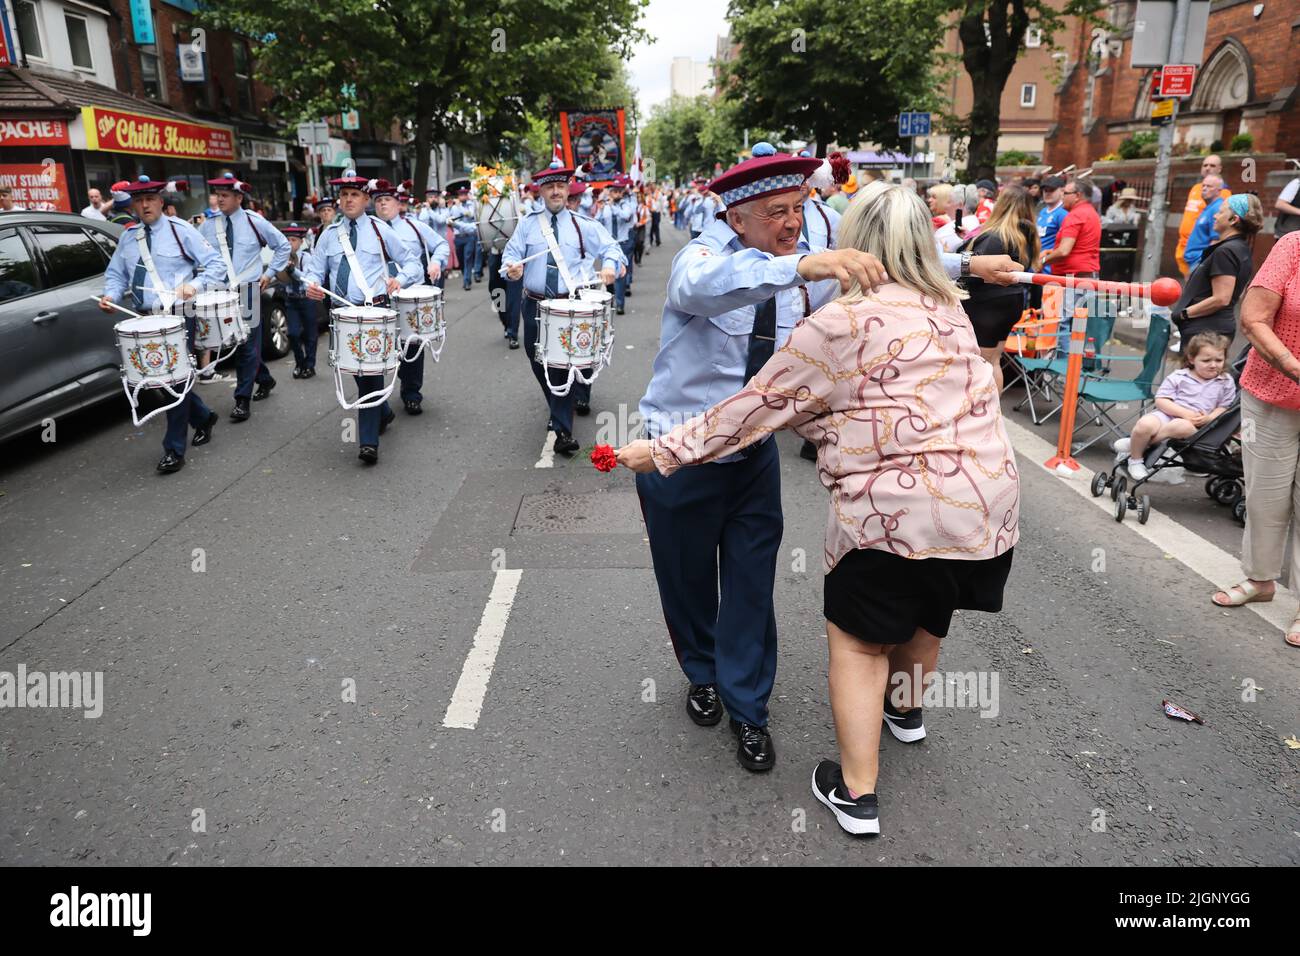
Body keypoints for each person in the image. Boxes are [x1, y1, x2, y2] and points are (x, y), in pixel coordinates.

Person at [616, 181, 1019, 830]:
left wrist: (967, 262)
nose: (794, 225)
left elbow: (761, 406)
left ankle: (759, 718)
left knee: (760, 591)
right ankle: (711, 675)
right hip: (693, 445)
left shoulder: (835, 290)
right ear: (735, 217)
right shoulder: (705, 258)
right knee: (691, 583)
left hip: (737, 451)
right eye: (776, 213)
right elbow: (703, 288)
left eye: (799, 211)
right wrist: (806, 264)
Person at [98, 175, 226, 474]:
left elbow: (216, 264)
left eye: (150, 199)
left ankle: (173, 450)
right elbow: (116, 275)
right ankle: (204, 416)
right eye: (139, 200)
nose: (144, 205)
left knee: (174, 379)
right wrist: (110, 295)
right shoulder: (128, 238)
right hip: (145, 317)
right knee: (162, 380)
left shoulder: (182, 231)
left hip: (179, 313)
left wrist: (194, 285)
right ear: (132, 205)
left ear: (160, 201)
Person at [1213, 231, 1300, 647]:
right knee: (1266, 494)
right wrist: (1293, 366)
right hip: (1271, 391)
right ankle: (1260, 579)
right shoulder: (1293, 247)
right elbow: (1253, 318)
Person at [501, 162, 624, 455]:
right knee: (538, 360)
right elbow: (510, 256)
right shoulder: (528, 224)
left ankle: (562, 427)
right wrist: (512, 270)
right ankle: (560, 406)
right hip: (534, 303)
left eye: (560, 186)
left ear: (568, 189)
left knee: (565, 363)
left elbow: (613, 251)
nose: (555, 191)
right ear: (541, 191)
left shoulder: (584, 225)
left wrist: (609, 266)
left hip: (571, 304)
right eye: (549, 186)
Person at [301, 169, 421, 464]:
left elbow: (412, 262)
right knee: (356, 372)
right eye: (344, 195)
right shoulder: (328, 235)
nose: (349, 200)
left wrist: (400, 279)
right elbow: (315, 270)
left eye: (355, 194)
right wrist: (312, 286)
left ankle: (368, 442)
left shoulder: (380, 230)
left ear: (367, 198)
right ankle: (383, 410)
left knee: (369, 377)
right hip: (340, 315)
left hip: (373, 312)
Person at [198, 173, 291, 423]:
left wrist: (270, 273)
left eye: (225, 195)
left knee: (246, 345)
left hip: (248, 290)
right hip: (220, 293)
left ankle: (242, 399)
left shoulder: (254, 222)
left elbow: (282, 245)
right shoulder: (208, 225)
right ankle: (264, 378)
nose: (220, 199)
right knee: (234, 343)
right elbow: (198, 256)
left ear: (239, 197)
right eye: (218, 195)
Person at [1116, 333, 1235, 481]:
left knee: (1180, 426)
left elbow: (1224, 406)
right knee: (1144, 424)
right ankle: (1135, 461)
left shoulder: (1225, 381)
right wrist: (1184, 413)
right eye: (1206, 360)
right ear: (1192, 359)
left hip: (1197, 425)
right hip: (1168, 414)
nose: (1213, 365)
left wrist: (1209, 418)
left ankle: (1139, 443)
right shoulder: (1179, 376)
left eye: (1219, 360)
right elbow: (1161, 400)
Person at [958, 184, 1039, 391]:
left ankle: (984, 415)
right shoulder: (1027, 236)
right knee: (993, 361)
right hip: (1011, 302)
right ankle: (994, 414)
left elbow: (973, 270)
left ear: (1001, 205)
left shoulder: (995, 236)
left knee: (982, 365)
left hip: (986, 303)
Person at [380, 179, 450, 411]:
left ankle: (411, 393)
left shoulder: (413, 226)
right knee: (385, 345)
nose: (382, 205)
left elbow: (441, 244)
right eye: (378, 201)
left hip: (411, 294)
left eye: (387, 200)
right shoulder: (370, 229)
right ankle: (382, 396)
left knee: (412, 344)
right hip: (382, 296)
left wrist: (437, 263)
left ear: (398, 203)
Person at [1168, 193, 1263, 345]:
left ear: (1233, 219)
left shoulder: (1226, 251)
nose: (1215, 216)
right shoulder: (1237, 247)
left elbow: (1221, 299)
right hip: (1209, 329)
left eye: (1220, 212)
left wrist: (1183, 314)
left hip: (1207, 331)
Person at [1041, 177, 1101, 320]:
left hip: (1071, 279)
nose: (1062, 196)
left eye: (1065, 193)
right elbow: (1077, 246)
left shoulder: (1075, 215)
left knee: (1061, 325)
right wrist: (1051, 253)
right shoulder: (1090, 212)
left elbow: (1064, 251)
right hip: (1083, 276)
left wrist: (1042, 261)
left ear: (1077, 196)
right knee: (1076, 326)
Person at [275, 223, 318, 379]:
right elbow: (279, 278)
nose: (290, 243)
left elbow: (307, 279)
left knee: (310, 335)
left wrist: (293, 270)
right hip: (291, 300)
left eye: (293, 240)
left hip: (306, 299)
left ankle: (310, 366)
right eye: (287, 240)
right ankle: (299, 363)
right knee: (292, 333)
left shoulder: (306, 258)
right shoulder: (283, 258)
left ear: (300, 242)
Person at [1176, 155, 1229, 276]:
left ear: (1220, 169)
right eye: (1205, 165)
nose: (1207, 168)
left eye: (1212, 165)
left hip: (1200, 253)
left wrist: (1204, 260)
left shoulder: (1223, 195)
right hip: (1185, 247)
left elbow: (1218, 234)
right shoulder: (1196, 188)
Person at [1183, 176, 1230, 271]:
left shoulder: (1217, 208)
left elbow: (1217, 240)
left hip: (1200, 263)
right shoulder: (1209, 208)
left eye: (1209, 186)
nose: (1204, 188)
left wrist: (1203, 264)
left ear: (1219, 190)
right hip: (1195, 262)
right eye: (1203, 186)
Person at [449, 188, 478, 291]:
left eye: (465, 195)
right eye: (461, 195)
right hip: (458, 238)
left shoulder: (472, 205)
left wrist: (459, 208)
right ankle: (465, 274)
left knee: (468, 258)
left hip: (469, 236)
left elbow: (470, 215)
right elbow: (452, 221)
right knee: (461, 260)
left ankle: (467, 281)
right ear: (458, 196)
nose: (463, 197)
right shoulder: (454, 208)